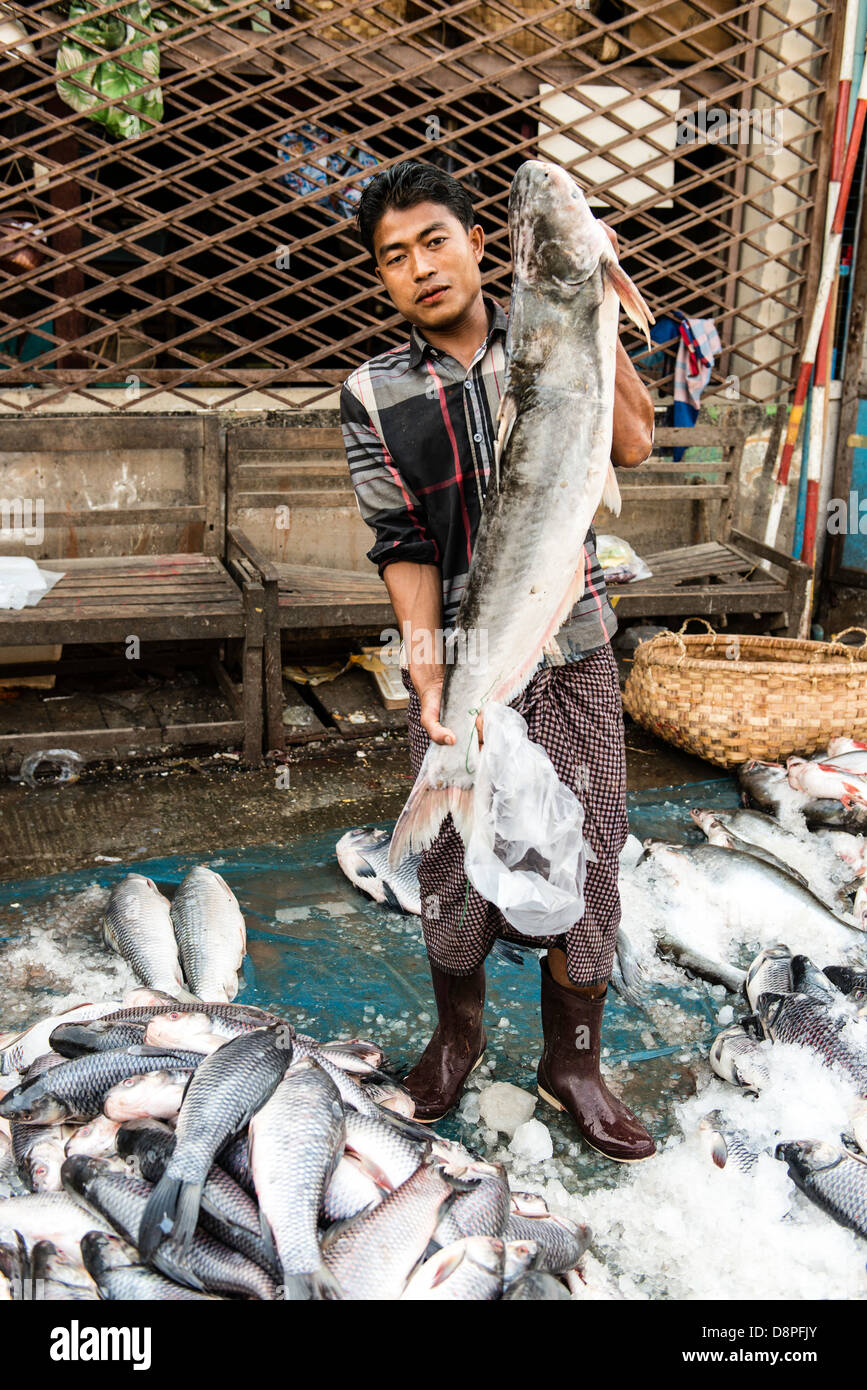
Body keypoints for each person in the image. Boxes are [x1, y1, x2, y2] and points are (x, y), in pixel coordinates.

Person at [340, 161, 656, 1162]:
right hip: (467, 659)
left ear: (484, 247)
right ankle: (456, 1035)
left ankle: (573, 1063)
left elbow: (636, 446)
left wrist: (592, 307)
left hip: (576, 647)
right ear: (383, 280)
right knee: (452, 867)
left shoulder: (550, 330)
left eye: (436, 239)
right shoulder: (374, 394)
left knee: (592, 856)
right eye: (395, 257)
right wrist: (429, 677)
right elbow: (402, 545)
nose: (421, 267)